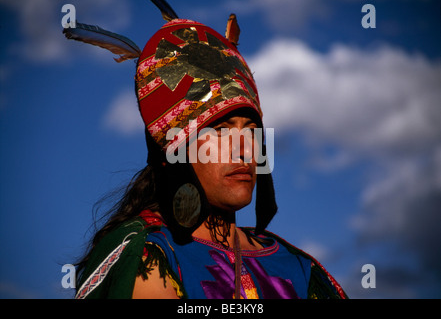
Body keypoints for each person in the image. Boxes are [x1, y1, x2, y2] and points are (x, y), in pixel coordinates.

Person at [70, 16, 347, 299]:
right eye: (220, 130)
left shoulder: (298, 268)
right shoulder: (149, 255)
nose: (244, 149)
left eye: (252, 131)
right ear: (175, 152)